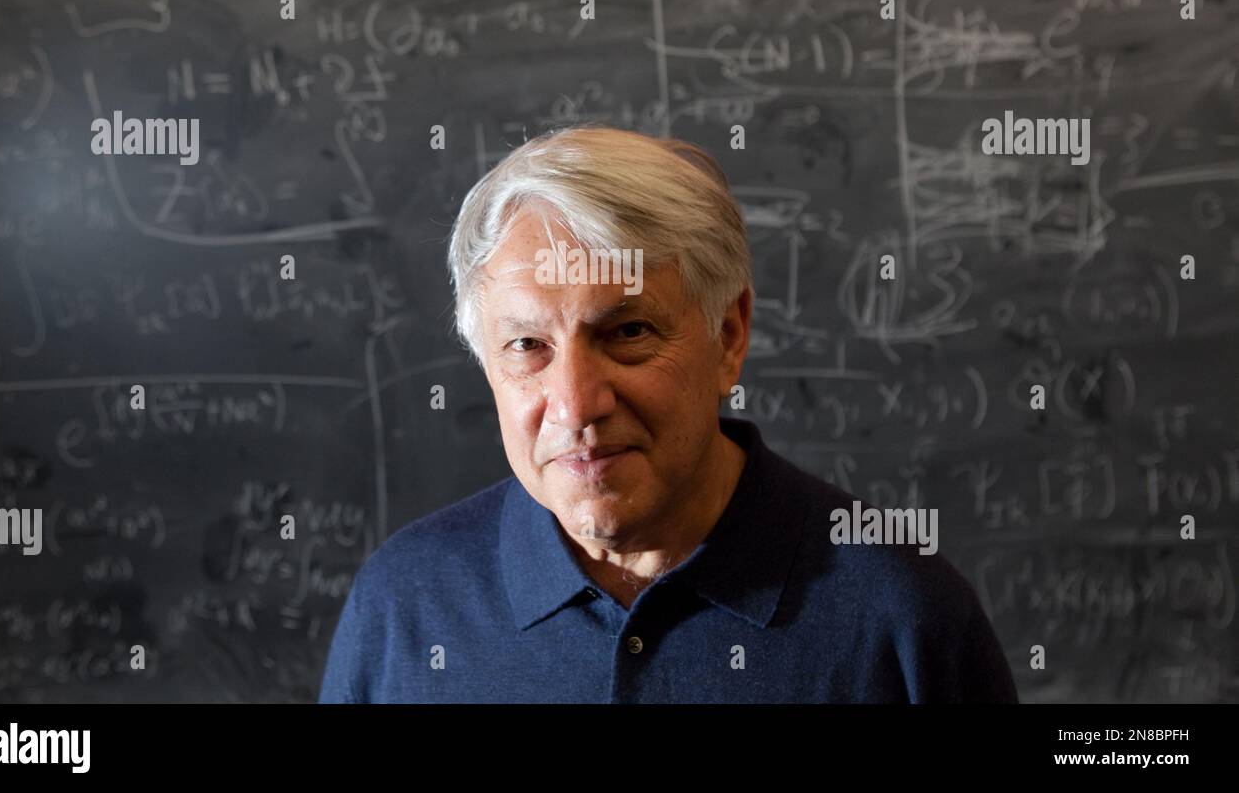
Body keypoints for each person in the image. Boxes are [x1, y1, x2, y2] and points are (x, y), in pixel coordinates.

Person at [319, 126, 1017, 703]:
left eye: (626, 334)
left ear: (729, 335)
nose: (576, 405)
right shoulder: (403, 607)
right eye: (528, 346)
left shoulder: (902, 618)